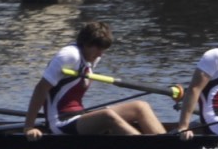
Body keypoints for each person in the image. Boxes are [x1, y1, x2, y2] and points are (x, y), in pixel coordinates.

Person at [23, 21, 167, 139]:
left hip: (78, 116)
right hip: (60, 123)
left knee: (141, 106)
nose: (101, 54)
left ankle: (166, 141)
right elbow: (40, 89)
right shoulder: (68, 56)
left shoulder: (92, 57)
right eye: (98, 49)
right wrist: (29, 127)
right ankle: (151, 147)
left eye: (103, 49)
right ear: (86, 44)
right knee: (107, 116)